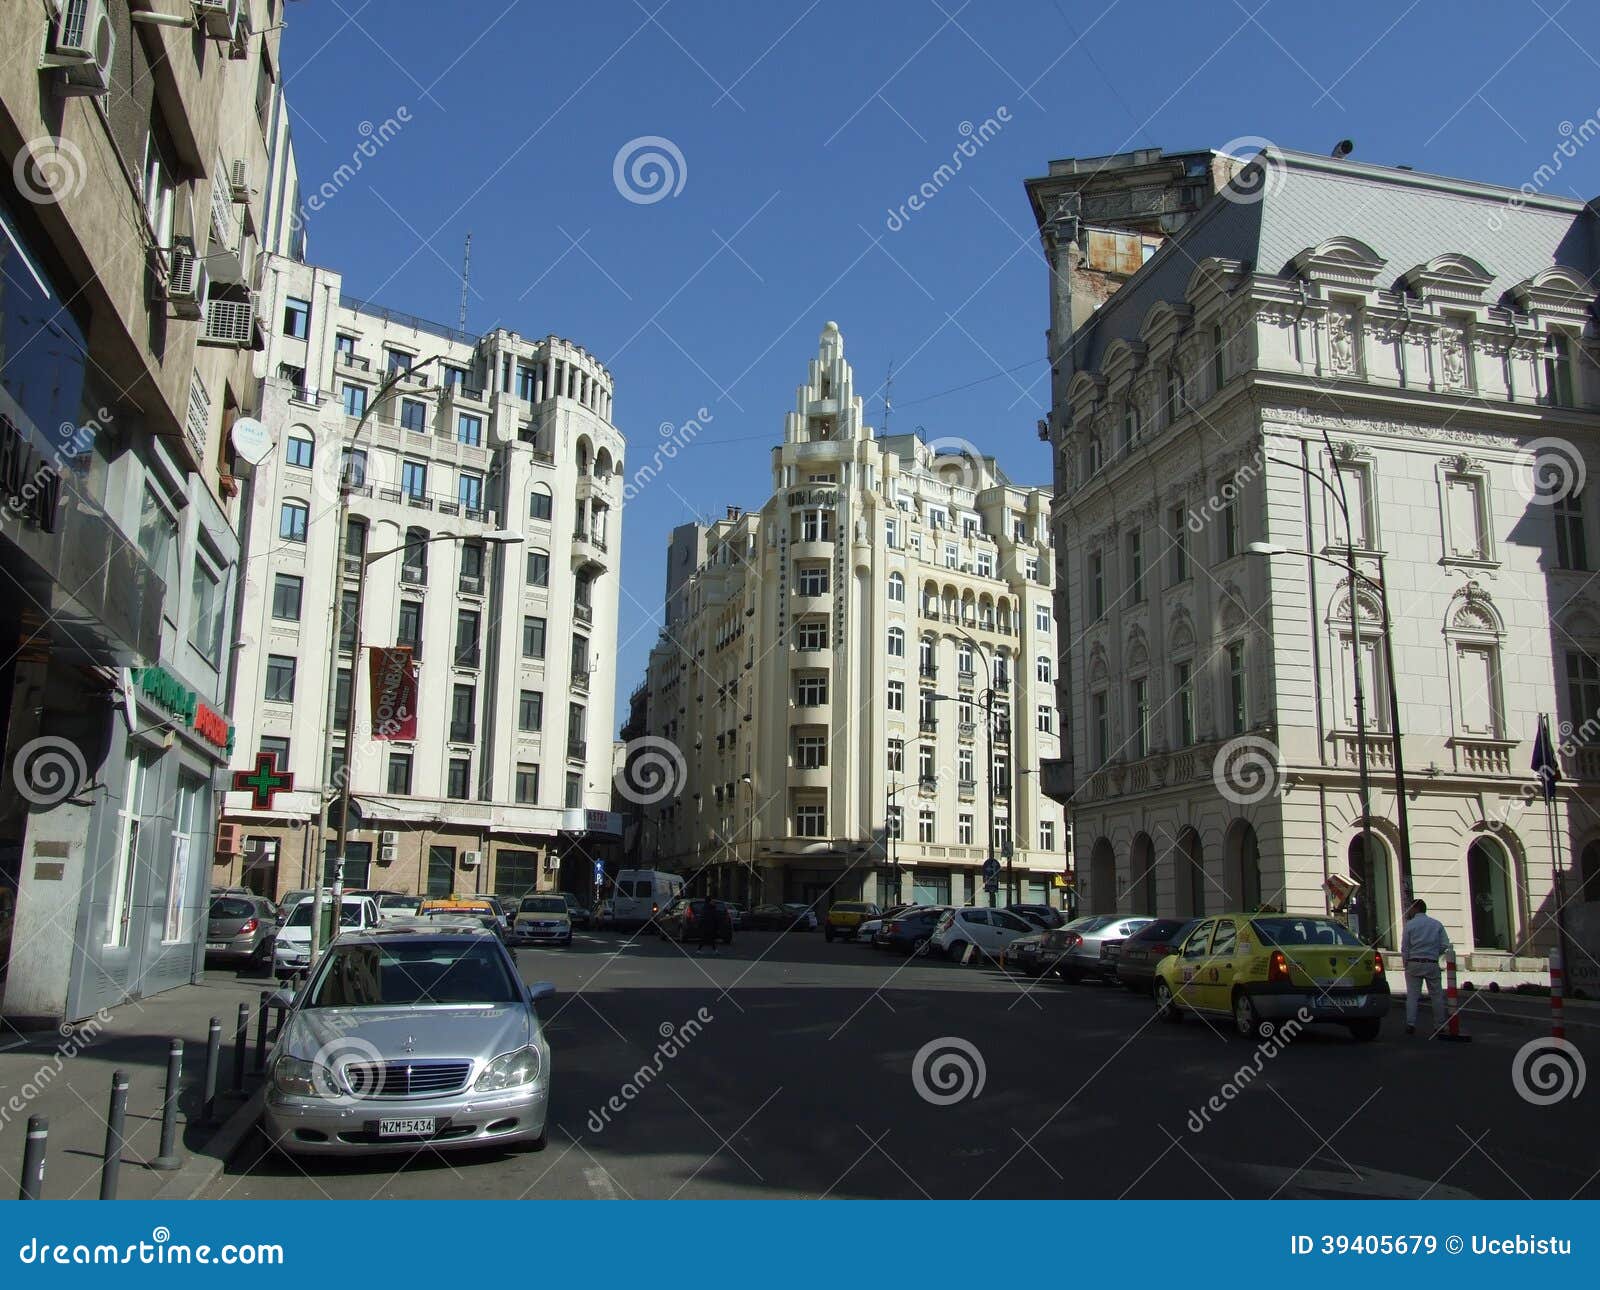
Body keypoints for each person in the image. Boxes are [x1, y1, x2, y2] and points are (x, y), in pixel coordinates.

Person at [1400, 898, 1452, 1036]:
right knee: (1436, 995)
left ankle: (1410, 1024)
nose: (1408, 911)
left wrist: (1406, 962)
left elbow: (1405, 947)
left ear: (1415, 909)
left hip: (1414, 962)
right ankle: (1439, 1025)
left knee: (1412, 995)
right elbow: (1445, 944)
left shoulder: (1409, 925)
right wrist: (1435, 953)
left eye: (1410, 908)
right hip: (1431, 962)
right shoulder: (1436, 924)